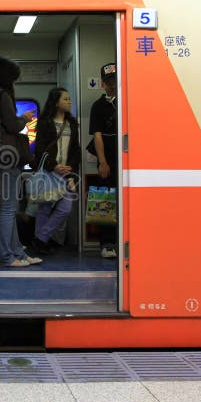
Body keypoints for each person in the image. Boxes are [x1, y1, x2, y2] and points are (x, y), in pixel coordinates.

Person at [0, 57, 41, 268]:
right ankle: (6, 256)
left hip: (0, 153)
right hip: (8, 155)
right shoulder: (3, 96)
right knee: (8, 208)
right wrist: (26, 118)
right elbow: (12, 125)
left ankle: (17, 252)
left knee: (8, 207)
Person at [29, 88, 80, 256]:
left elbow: (75, 150)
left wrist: (70, 168)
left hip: (66, 172)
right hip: (51, 170)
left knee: (65, 209)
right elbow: (41, 149)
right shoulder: (45, 123)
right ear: (56, 102)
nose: (69, 102)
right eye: (65, 99)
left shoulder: (72, 124)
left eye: (69, 99)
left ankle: (40, 239)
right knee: (44, 208)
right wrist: (54, 165)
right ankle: (40, 243)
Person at [89, 62, 119, 258]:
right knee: (106, 200)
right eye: (108, 81)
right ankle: (106, 243)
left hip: (127, 159)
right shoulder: (98, 106)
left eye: (115, 80)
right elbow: (97, 135)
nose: (112, 84)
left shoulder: (128, 100)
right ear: (103, 84)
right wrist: (102, 161)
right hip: (108, 156)